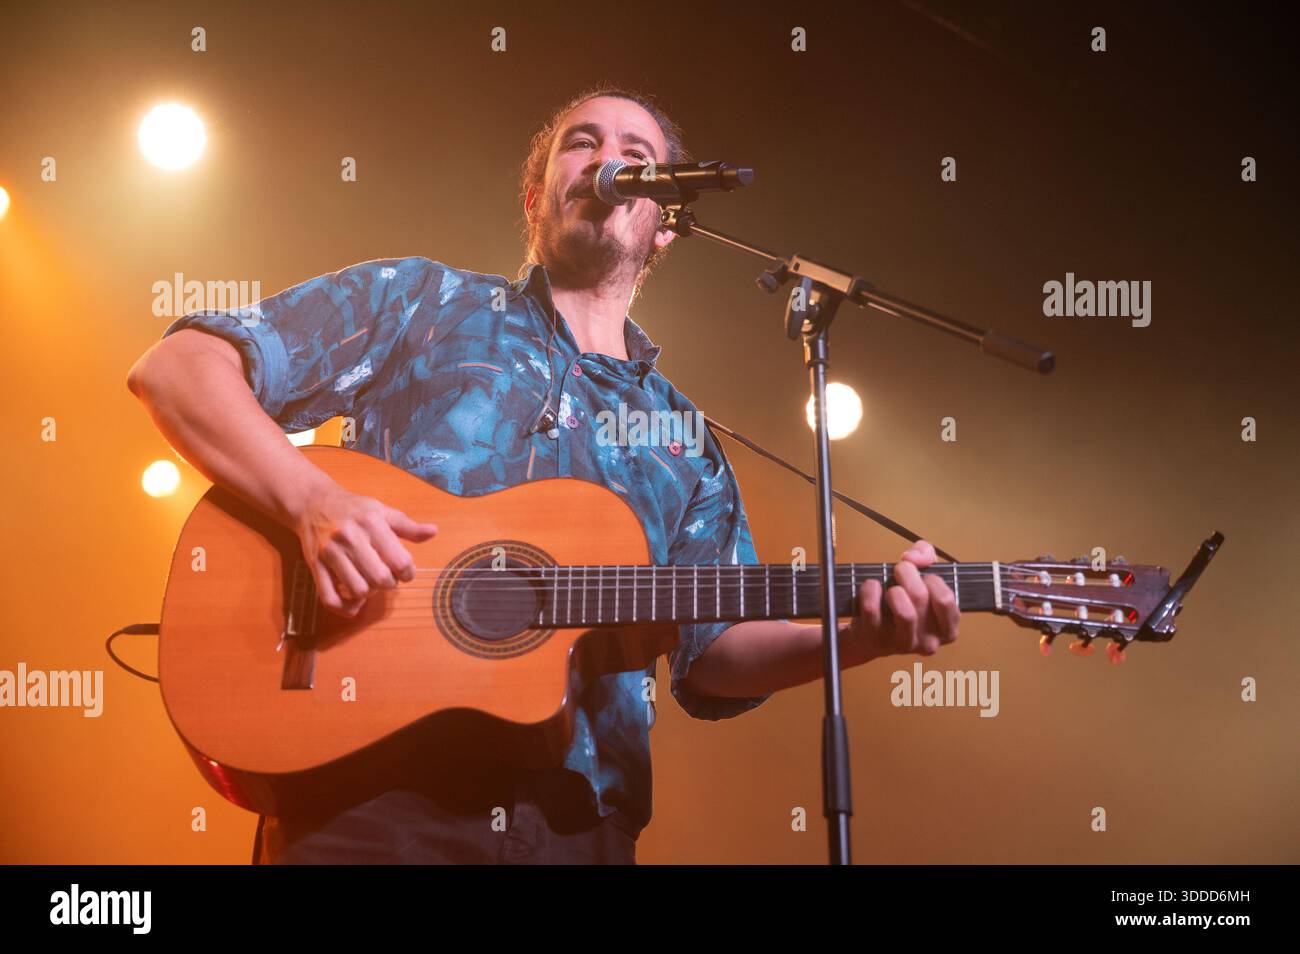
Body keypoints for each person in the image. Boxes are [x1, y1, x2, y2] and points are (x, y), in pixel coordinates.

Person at [126, 83, 960, 864]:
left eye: (635, 149)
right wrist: (314, 502)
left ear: (665, 221)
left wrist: (863, 636)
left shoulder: (684, 436)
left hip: (579, 825)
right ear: (537, 197)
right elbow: (180, 370)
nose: (605, 158)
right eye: (581, 143)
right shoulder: (422, 303)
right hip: (368, 791)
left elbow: (711, 656)